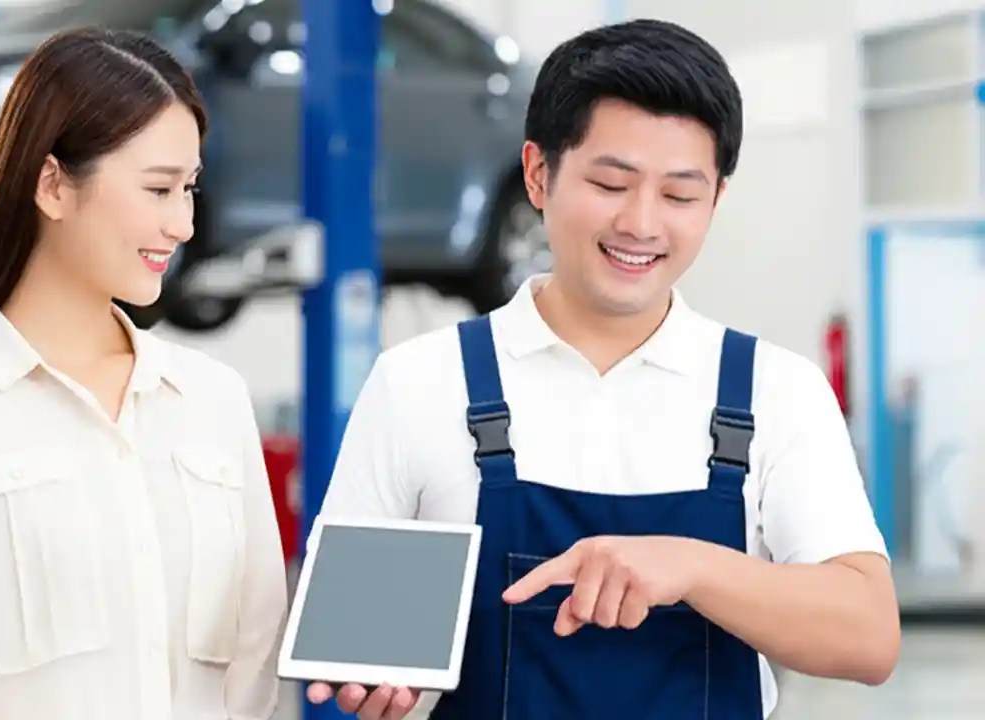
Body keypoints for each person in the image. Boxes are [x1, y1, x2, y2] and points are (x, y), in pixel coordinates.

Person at [309, 18, 900, 720]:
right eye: (612, 183)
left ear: (716, 200)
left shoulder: (777, 392)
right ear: (538, 174)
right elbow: (352, 642)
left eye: (680, 195)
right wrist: (378, 684)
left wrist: (688, 566)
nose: (642, 224)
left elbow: (868, 636)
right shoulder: (418, 384)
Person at [0, 28, 289, 720]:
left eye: (189, 190)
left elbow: (252, 671)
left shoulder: (213, 402)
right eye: (159, 189)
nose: (183, 225)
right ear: (52, 184)